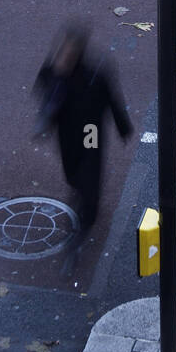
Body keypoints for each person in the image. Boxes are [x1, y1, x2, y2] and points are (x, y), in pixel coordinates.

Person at [33, 23, 133, 232]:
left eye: (71, 50)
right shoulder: (54, 70)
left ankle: (89, 210)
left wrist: (122, 125)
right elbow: (42, 88)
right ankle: (81, 191)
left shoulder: (94, 73)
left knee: (90, 168)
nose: (67, 54)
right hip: (66, 128)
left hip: (90, 128)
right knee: (71, 168)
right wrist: (58, 77)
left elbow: (112, 99)